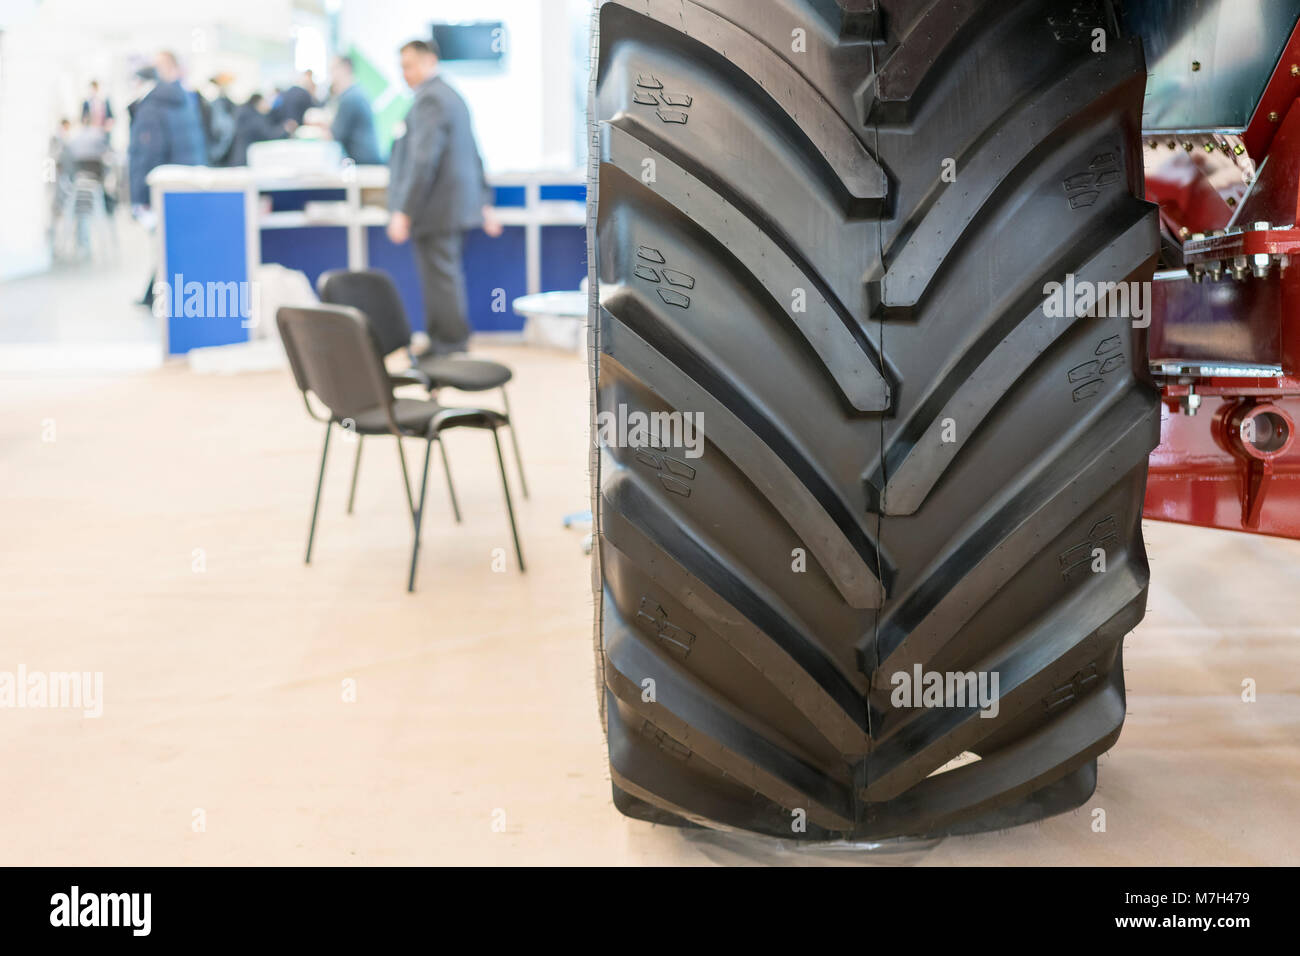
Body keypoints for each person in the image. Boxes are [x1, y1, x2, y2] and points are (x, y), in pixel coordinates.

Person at [387, 38, 502, 353]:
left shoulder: (430, 100)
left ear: (428, 62)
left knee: (441, 279)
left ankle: (450, 345)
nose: (404, 74)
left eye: (408, 66)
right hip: (450, 206)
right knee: (442, 278)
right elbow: (474, 154)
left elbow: (423, 160)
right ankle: (443, 342)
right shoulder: (451, 95)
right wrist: (484, 202)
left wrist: (403, 210)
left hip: (436, 207)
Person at [126, 57, 206, 210]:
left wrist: (140, 197)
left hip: (164, 191)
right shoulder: (185, 100)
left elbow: (148, 154)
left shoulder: (151, 108)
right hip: (189, 187)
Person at [328, 56, 380, 164]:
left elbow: (336, 134)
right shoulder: (355, 92)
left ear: (346, 69)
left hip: (364, 163)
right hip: (364, 159)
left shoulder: (350, 97)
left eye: (334, 69)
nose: (331, 74)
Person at [229, 93, 288, 166]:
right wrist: (285, 130)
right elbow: (268, 134)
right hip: (247, 159)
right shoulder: (254, 118)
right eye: (265, 102)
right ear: (259, 103)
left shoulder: (246, 115)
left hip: (241, 156)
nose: (268, 105)